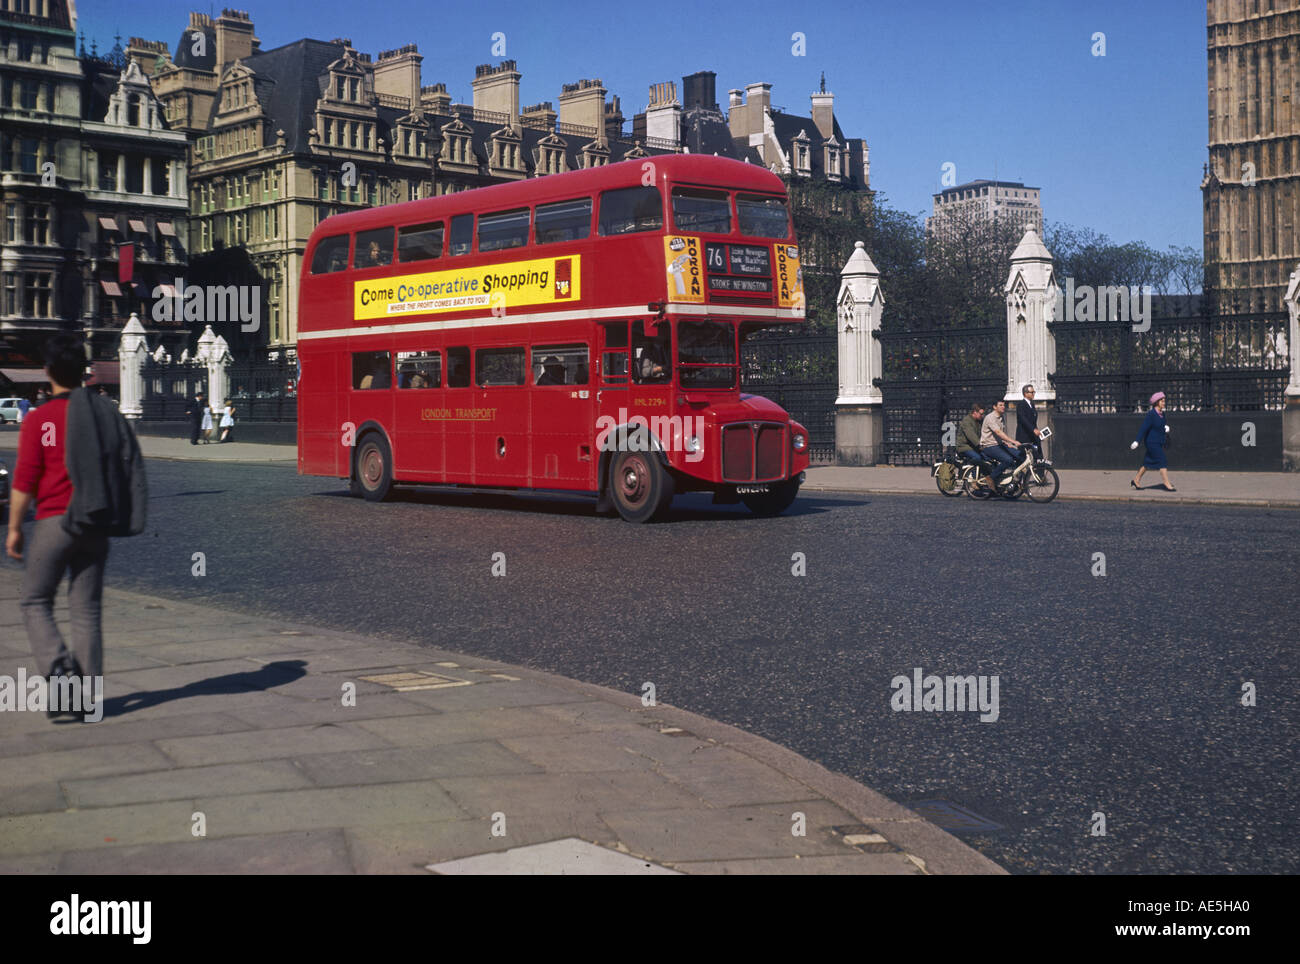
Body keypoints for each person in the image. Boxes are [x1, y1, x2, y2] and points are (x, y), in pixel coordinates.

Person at [5, 335, 143, 722]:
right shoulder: (102, 412)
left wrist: (14, 528)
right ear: (84, 371)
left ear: (47, 372)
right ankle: (86, 699)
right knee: (87, 610)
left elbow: (25, 481)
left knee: (35, 600)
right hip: (95, 522)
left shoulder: (39, 419)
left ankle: (59, 666)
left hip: (54, 521)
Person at [1131, 391, 1174, 491]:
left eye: (1164, 401)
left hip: (1159, 442)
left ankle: (1136, 480)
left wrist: (1165, 428)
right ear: (1157, 402)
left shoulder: (1162, 414)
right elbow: (1144, 428)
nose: (1164, 403)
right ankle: (1166, 483)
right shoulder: (1151, 414)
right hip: (1151, 443)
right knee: (1162, 461)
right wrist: (1137, 441)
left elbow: (1159, 427)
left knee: (1148, 462)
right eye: (1162, 401)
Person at [980, 399, 1021, 485]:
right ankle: (990, 478)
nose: (1003, 407)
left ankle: (1014, 479)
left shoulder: (1001, 417)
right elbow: (998, 432)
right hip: (988, 446)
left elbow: (1000, 435)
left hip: (998, 444)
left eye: (1004, 405)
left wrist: (1007, 443)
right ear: (994, 407)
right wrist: (1013, 441)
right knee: (1008, 460)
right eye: (1000, 405)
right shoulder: (990, 418)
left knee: (1019, 454)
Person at [956, 401, 988, 474]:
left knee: (988, 458)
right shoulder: (967, 421)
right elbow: (971, 435)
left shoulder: (979, 421)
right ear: (974, 412)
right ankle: (973, 480)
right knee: (978, 458)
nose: (982, 416)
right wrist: (979, 445)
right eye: (981, 414)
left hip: (974, 446)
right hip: (964, 446)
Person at [1015, 384, 1043, 457]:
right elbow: (1023, 419)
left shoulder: (1032, 404)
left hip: (1033, 436)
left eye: (1034, 392)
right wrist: (1033, 429)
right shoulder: (1021, 404)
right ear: (1025, 393)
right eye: (1032, 392)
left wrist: (1036, 430)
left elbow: (1033, 420)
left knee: (1038, 456)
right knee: (1024, 458)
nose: (1034, 394)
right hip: (1024, 436)